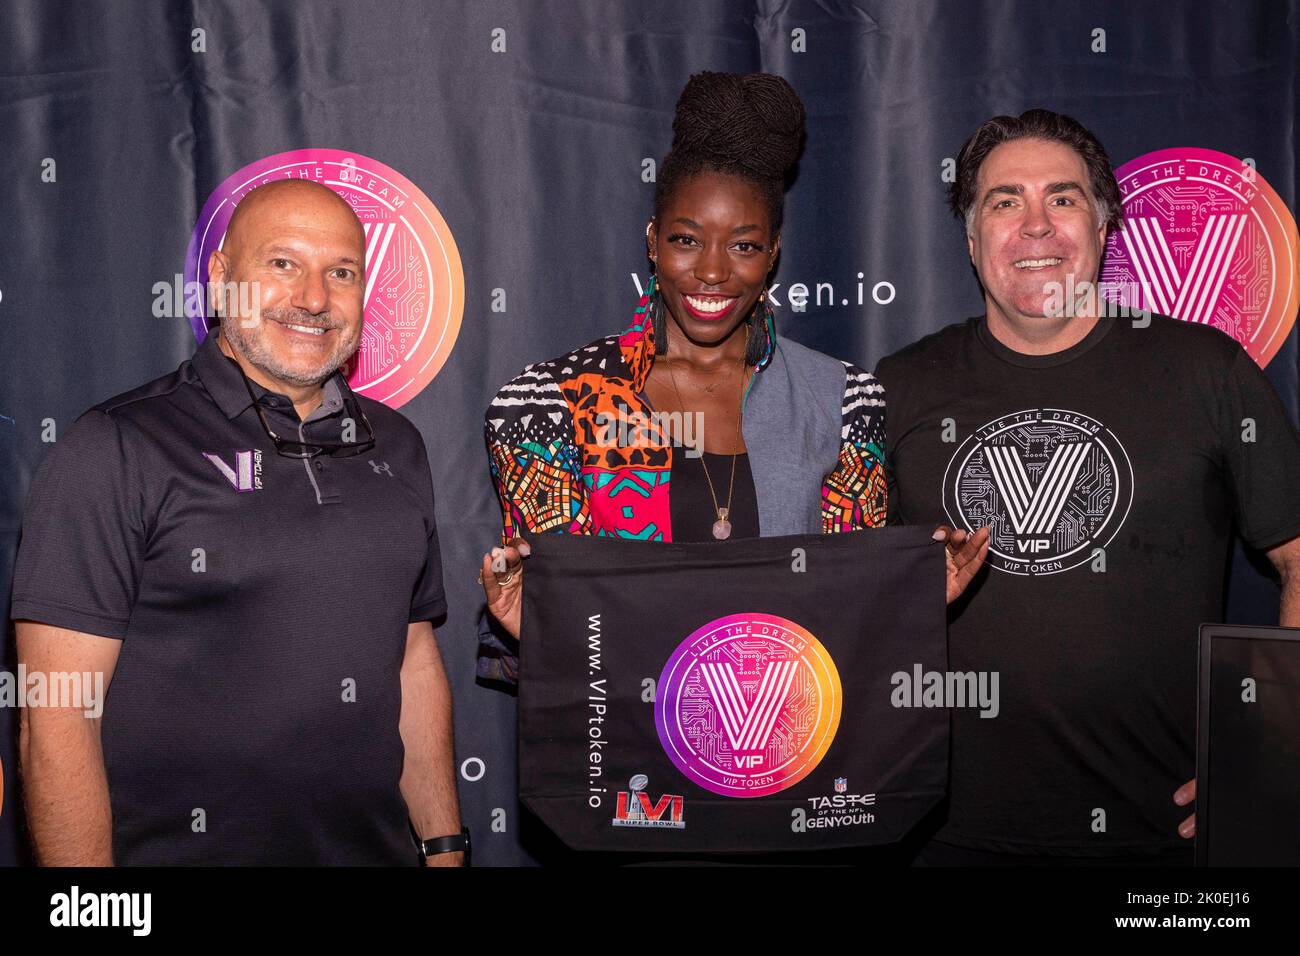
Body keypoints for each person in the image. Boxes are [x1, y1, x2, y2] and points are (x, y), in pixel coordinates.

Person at [874, 109, 1300, 865]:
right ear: (973, 243)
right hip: (941, 837)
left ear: (1105, 228)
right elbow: (844, 597)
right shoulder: (898, 388)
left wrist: (1270, 742)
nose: (1036, 226)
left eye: (1063, 199)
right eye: (1005, 203)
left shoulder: (1207, 372)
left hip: (1161, 841)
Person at [476, 71, 988, 688]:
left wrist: (910, 594)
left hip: (795, 744)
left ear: (773, 253)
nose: (712, 271)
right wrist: (537, 621)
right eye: (687, 240)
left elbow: (847, 608)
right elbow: (567, 620)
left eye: (743, 246)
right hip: (619, 756)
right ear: (652, 242)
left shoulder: (847, 400)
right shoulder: (544, 404)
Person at [11, 179, 465, 866]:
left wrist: (443, 845)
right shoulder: (116, 446)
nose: (314, 298)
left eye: (340, 272)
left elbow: (411, 658)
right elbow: (57, 718)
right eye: (282, 264)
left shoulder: (398, 446)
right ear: (222, 278)